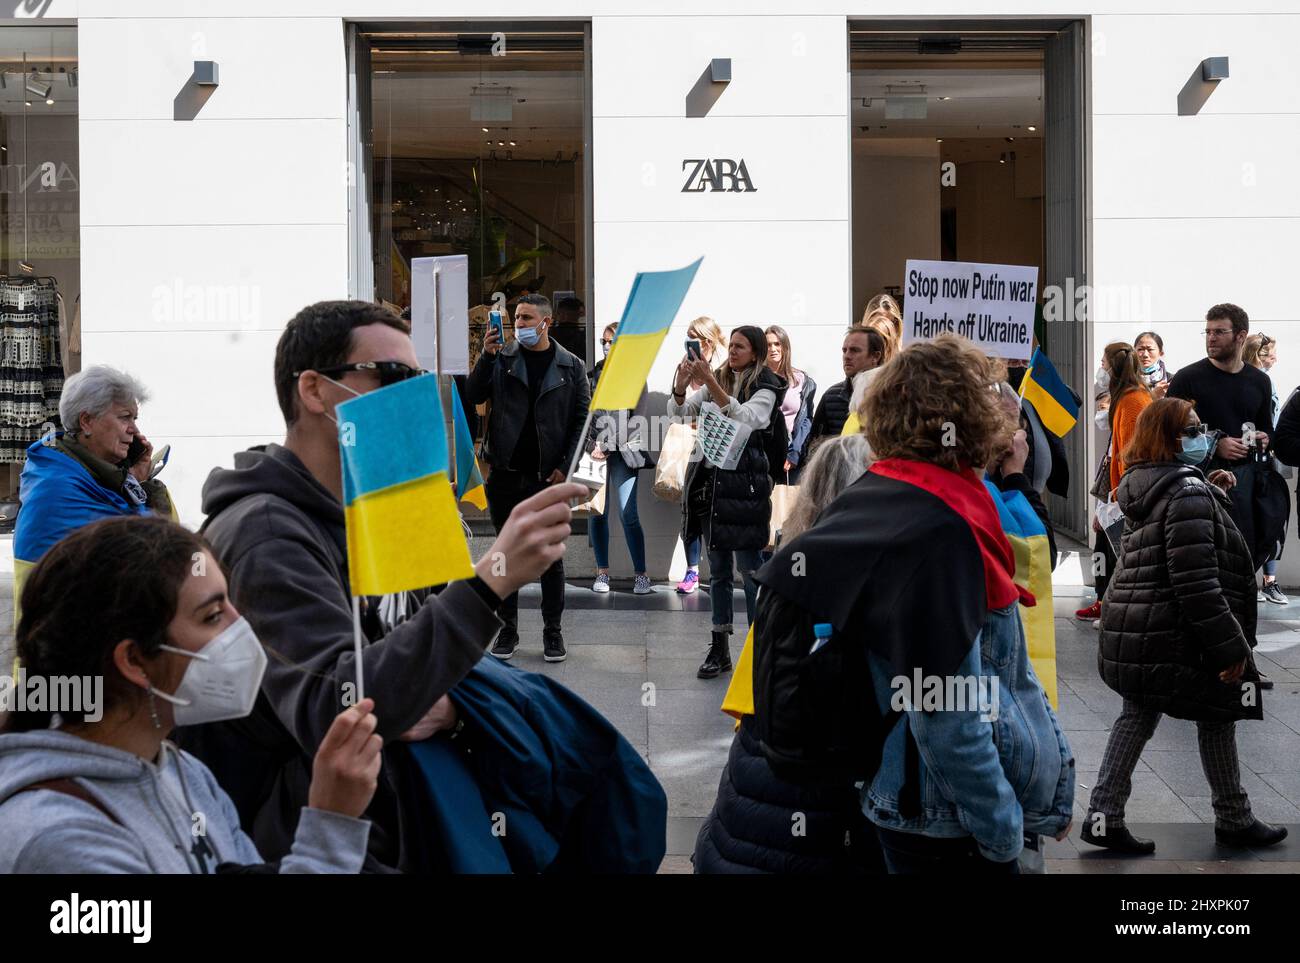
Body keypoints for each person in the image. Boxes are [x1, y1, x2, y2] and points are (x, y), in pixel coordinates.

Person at [187, 299, 586, 872]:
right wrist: (494, 576)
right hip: (321, 843)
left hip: (409, 820)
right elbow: (340, 706)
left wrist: (450, 705)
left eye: (417, 378)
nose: (411, 395)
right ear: (315, 390)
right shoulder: (265, 532)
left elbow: (427, 657)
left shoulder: (377, 503)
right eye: (392, 376)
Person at [751, 335, 1074, 874]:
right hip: (942, 818)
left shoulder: (885, 494)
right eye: (990, 396)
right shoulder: (941, 527)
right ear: (970, 420)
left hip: (908, 799)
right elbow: (948, 717)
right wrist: (1002, 831)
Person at [0, 515, 382, 873]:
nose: (241, 627)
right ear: (134, 660)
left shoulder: (183, 771)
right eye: (213, 616)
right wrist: (331, 826)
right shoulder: (61, 840)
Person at [1083, 398, 1288, 853]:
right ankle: (1232, 818)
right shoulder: (1186, 493)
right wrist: (1232, 647)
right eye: (1193, 429)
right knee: (1216, 714)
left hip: (1137, 625)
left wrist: (1208, 488)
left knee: (1142, 715)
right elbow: (1198, 584)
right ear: (1171, 440)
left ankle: (1104, 815)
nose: (1203, 436)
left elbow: (1168, 534)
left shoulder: (1143, 482)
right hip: (1173, 630)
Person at [694, 434, 878, 874]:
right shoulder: (859, 585)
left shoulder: (787, 572)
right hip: (810, 837)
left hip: (742, 826)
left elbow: (753, 702)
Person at [466, 292, 591, 662]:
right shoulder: (502, 358)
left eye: (525, 319)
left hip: (546, 478)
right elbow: (473, 395)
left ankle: (553, 632)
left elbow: (582, 422)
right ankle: (508, 630)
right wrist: (486, 359)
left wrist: (565, 466)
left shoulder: (572, 367)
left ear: (546, 322)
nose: (518, 325)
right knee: (505, 554)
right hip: (505, 474)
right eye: (515, 318)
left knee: (550, 556)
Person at [669, 325, 785, 679]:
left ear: (757, 352)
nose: (732, 351)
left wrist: (712, 385)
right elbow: (678, 414)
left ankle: (756, 651)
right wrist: (679, 383)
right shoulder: (717, 376)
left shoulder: (766, 383)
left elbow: (750, 419)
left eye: (740, 346)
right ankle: (719, 649)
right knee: (717, 572)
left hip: (746, 489)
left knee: (750, 572)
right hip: (711, 485)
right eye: (731, 345)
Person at [14, 365, 173, 616]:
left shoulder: (99, 475)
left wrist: (140, 482)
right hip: (59, 647)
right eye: (124, 417)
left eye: (135, 418)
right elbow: (156, 548)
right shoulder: (56, 488)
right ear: (87, 421)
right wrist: (138, 487)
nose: (134, 430)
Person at [1167, 305, 1282, 648]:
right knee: (1202, 569)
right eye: (1208, 332)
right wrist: (1215, 444)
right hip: (1198, 485)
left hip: (1245, 488)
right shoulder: (1188, 379)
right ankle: (1199, 653)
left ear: (1241, 336)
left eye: (1219, 332)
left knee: (1243, 570)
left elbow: (1266, 430)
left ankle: (1243, 652)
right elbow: (1169, 434)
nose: (1211, 338)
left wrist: (1264, 438)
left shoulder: (1259, 381)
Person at [1076, 344, 1152, 622]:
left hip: (1125, 495)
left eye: (1103, 363)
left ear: (1114, 368)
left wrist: (1116, 498)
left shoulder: (1133, 401)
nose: (1101, 368)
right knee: (1108, 554)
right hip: (1118, 492)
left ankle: (1119, 611)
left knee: (1122, 558)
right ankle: (1108, 604)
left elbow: (1133, 454)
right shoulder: (1127, 398)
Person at [587, 322, 651, 595]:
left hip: (624, 452)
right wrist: (592, 444)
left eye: (611, 341)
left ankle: (642, 575)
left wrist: (608, 446)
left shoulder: (635, 377)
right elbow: (583, 414)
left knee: (629, 515)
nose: (605, 345)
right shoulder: (592, 375)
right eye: (603, 340)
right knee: (597, 513)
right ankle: (602, 573)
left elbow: (636, 422)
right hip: (594, 453)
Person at [674, 317, 729, 595]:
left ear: (707, 341)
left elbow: (727, 408)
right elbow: (677, 410)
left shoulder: (723, 369)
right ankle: (692, 570)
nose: (689, 342)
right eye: (687, 336)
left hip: (720, 447)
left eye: (693, 337)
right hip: (692, 445)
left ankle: (720, 571)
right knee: (691, 508)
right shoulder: (685, 366)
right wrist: (681, 383)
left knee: (716, 511)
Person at [1243, 332, 1288, 603]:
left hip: (1261, 458)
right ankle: (1265, 581)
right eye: (1270, 353)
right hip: (1256, 461)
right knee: (1264, 517)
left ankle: (1263, 579)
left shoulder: (1259, 381)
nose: (1275, 358)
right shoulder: (1260, 382)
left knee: (1265, 518)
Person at [804, 327, 885, 455]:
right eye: (844, 350)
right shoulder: (831, 396)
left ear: (875, 356)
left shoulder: (891, 397)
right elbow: (813, 445)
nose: (847, 356)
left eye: (854, 350)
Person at [764, 324, 816, 483]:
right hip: (763, 453)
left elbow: (806, 420)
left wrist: (794, 453)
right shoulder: (756, 379)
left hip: (790, 454)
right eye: (768, 344)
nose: (773, 348)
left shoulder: (801, 380)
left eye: (777, 344)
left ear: (785, 347)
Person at [1134, 331, 1173, 398]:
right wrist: (1153, 395)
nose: (1145, 355)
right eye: (1140, 349)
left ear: (1161, 353)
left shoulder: (1171, 380)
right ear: (1134, 351)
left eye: (1150, 349)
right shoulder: (1126, 380)